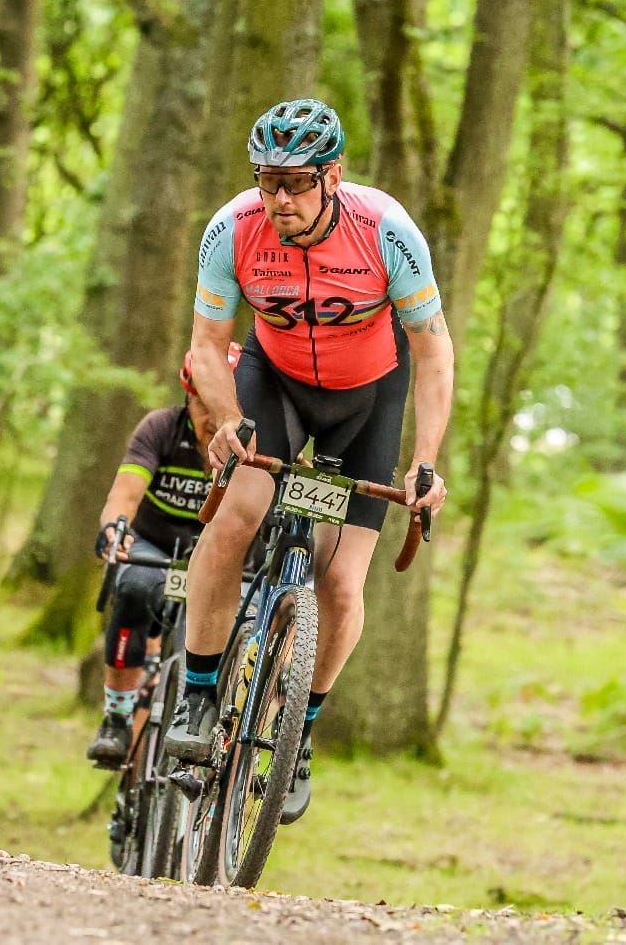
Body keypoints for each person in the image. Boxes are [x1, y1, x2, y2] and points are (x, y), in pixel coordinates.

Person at [162, 98, 455, 824]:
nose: (280, 199)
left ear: (334, 176)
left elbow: (433, 351)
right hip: (276, 383)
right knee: (236, 518)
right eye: (267, 181)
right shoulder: (232, 228)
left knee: (343, 585)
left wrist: (424, 460)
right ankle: (199, 697)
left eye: (295, 182)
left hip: (369, 398)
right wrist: (227, 418)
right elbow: (207, 344)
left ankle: (299, 735)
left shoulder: (386, 230)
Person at [85, 345, 239, 769]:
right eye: (202, 405)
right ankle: (117, 718)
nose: (212, 419)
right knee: (135, 587)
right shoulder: (160, 429)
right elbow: (124, 494)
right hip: (153, 544)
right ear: (187, 399)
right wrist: (115, 527)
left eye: (221, 406)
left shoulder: (251, 440)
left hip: (219, 553)